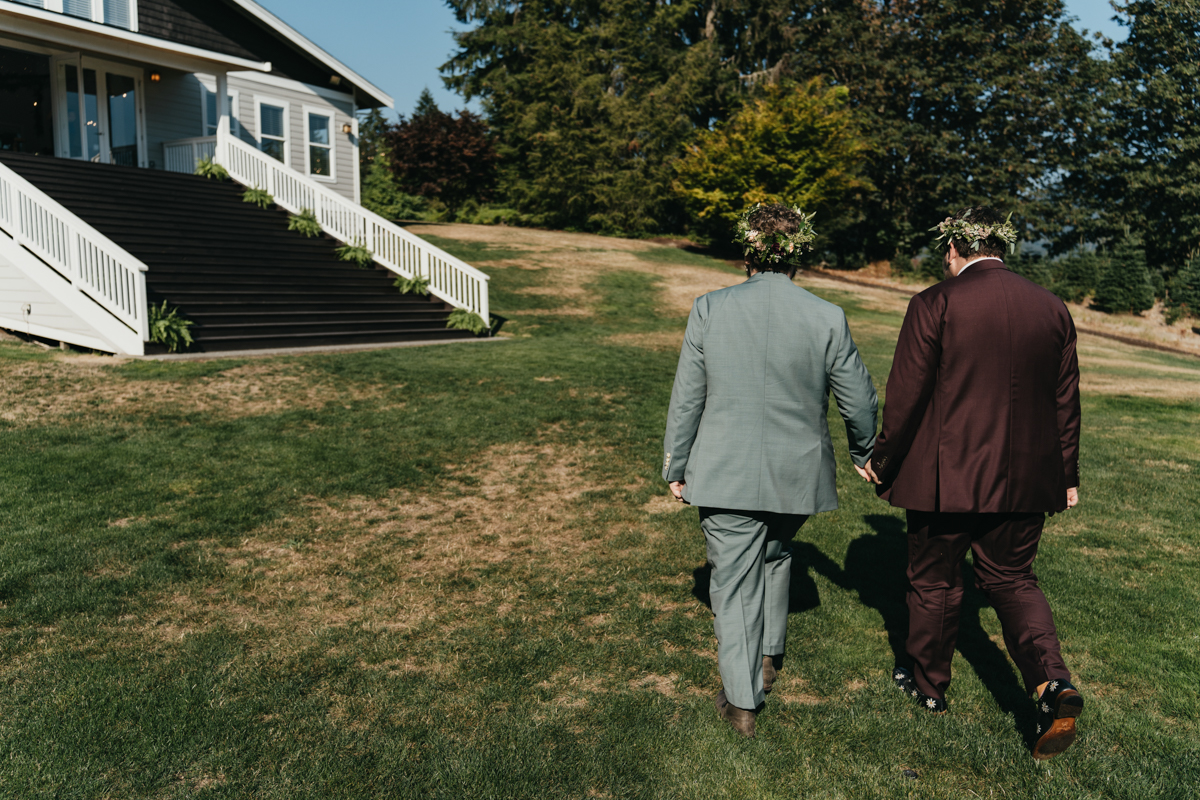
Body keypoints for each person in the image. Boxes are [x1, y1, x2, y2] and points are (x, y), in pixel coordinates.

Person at [860, 206, 1083, 759]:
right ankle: (1052, 682)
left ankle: (930, 688)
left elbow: (906, 394)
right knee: (1013, 580)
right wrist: (1067, 475)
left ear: (954, 248)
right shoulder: (1053, 309)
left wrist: (881, 460)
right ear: (1002, 248)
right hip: (1028, 481)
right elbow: (1065, 404)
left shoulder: (935, 301)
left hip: (947, 478)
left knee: (934, 581)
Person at [662, 203, 878, 738]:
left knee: (733, 583)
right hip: (797, 473)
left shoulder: (710, 308)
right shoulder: (826, 314)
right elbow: (859, 399)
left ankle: (742, 702)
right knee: (778, 554)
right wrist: (864, 451)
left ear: (747, 254)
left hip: (724, 469)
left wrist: (675, 461)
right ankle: (768, 657)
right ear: (799, 253)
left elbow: (688, 396)